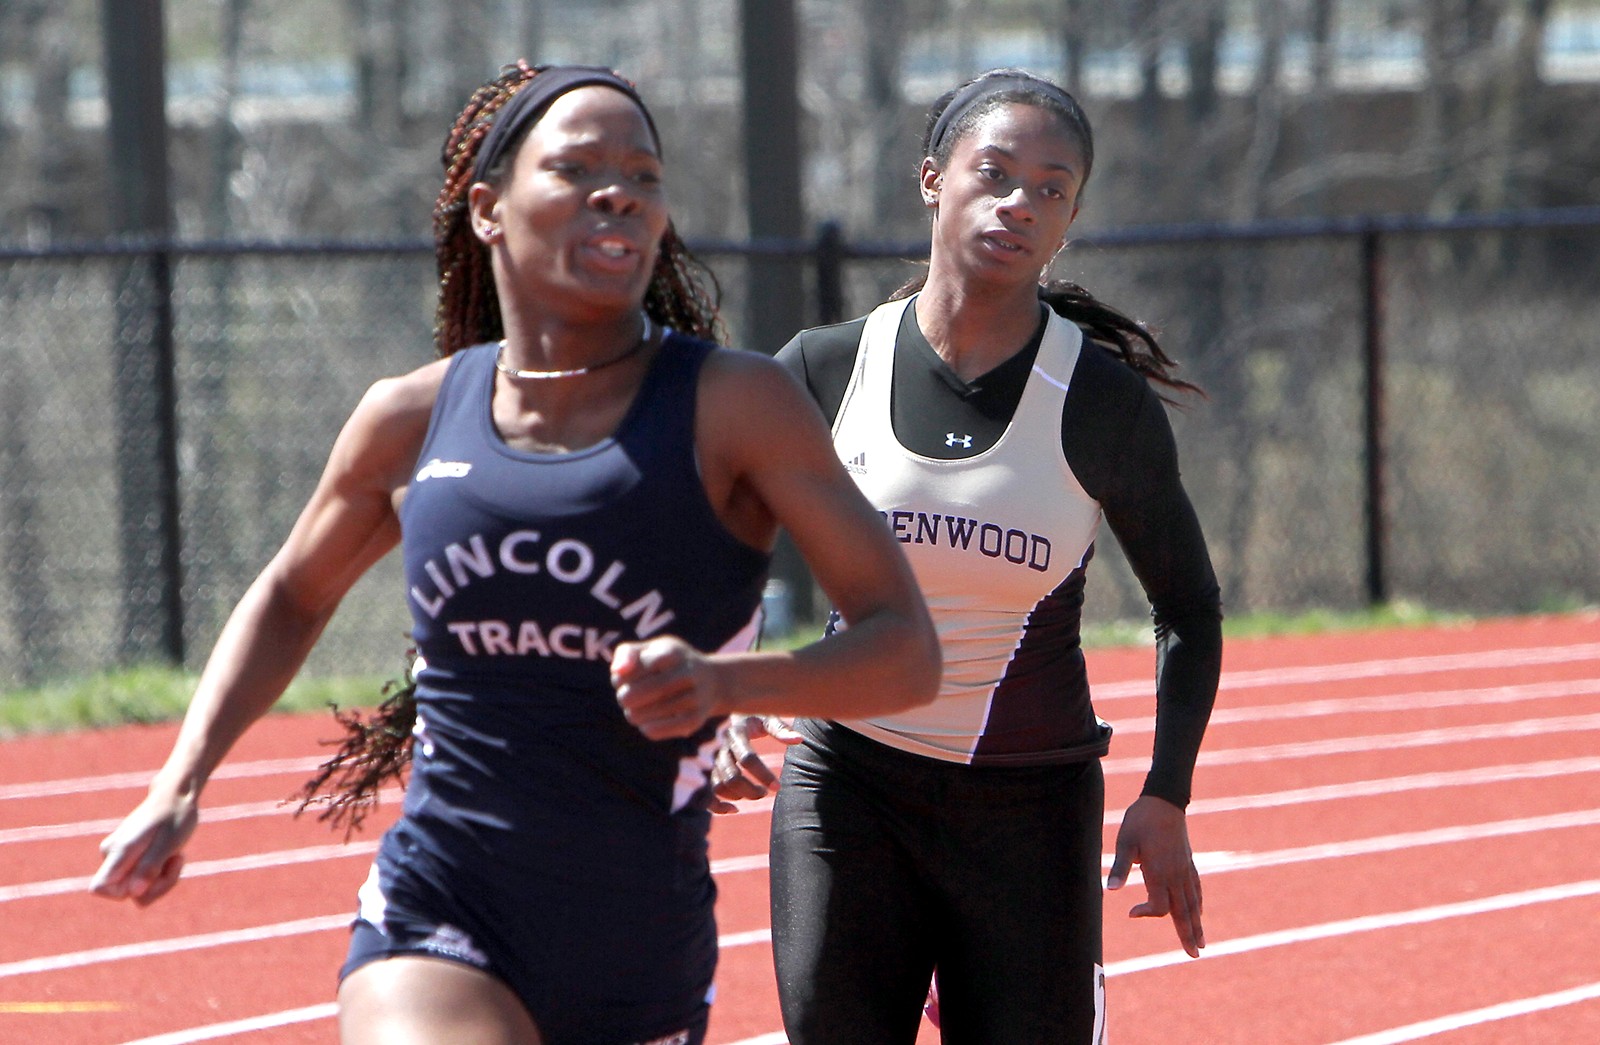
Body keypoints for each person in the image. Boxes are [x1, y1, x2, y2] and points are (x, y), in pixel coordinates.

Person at [89, 62, 940, 1045]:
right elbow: (291, 592)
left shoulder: (735, 408)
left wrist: (724, 684)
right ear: (488, 209)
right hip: (438, 903)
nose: (617, 189)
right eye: (576, 168)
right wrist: (180, 781)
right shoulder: (409, 417)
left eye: (643, 174)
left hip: (632, 940)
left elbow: (904, 648)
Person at [715, 69, 1224, 1044]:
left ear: (1070, 218)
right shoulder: (824, 368)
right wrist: (726, 697)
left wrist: (1166, 793)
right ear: (931, 179)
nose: (1018, 204)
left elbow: (1187, 609)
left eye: (1049, 187)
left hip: (1028, 812)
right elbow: (708, 546)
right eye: (993, 174)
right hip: (847, 787)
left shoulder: (1098, 402)